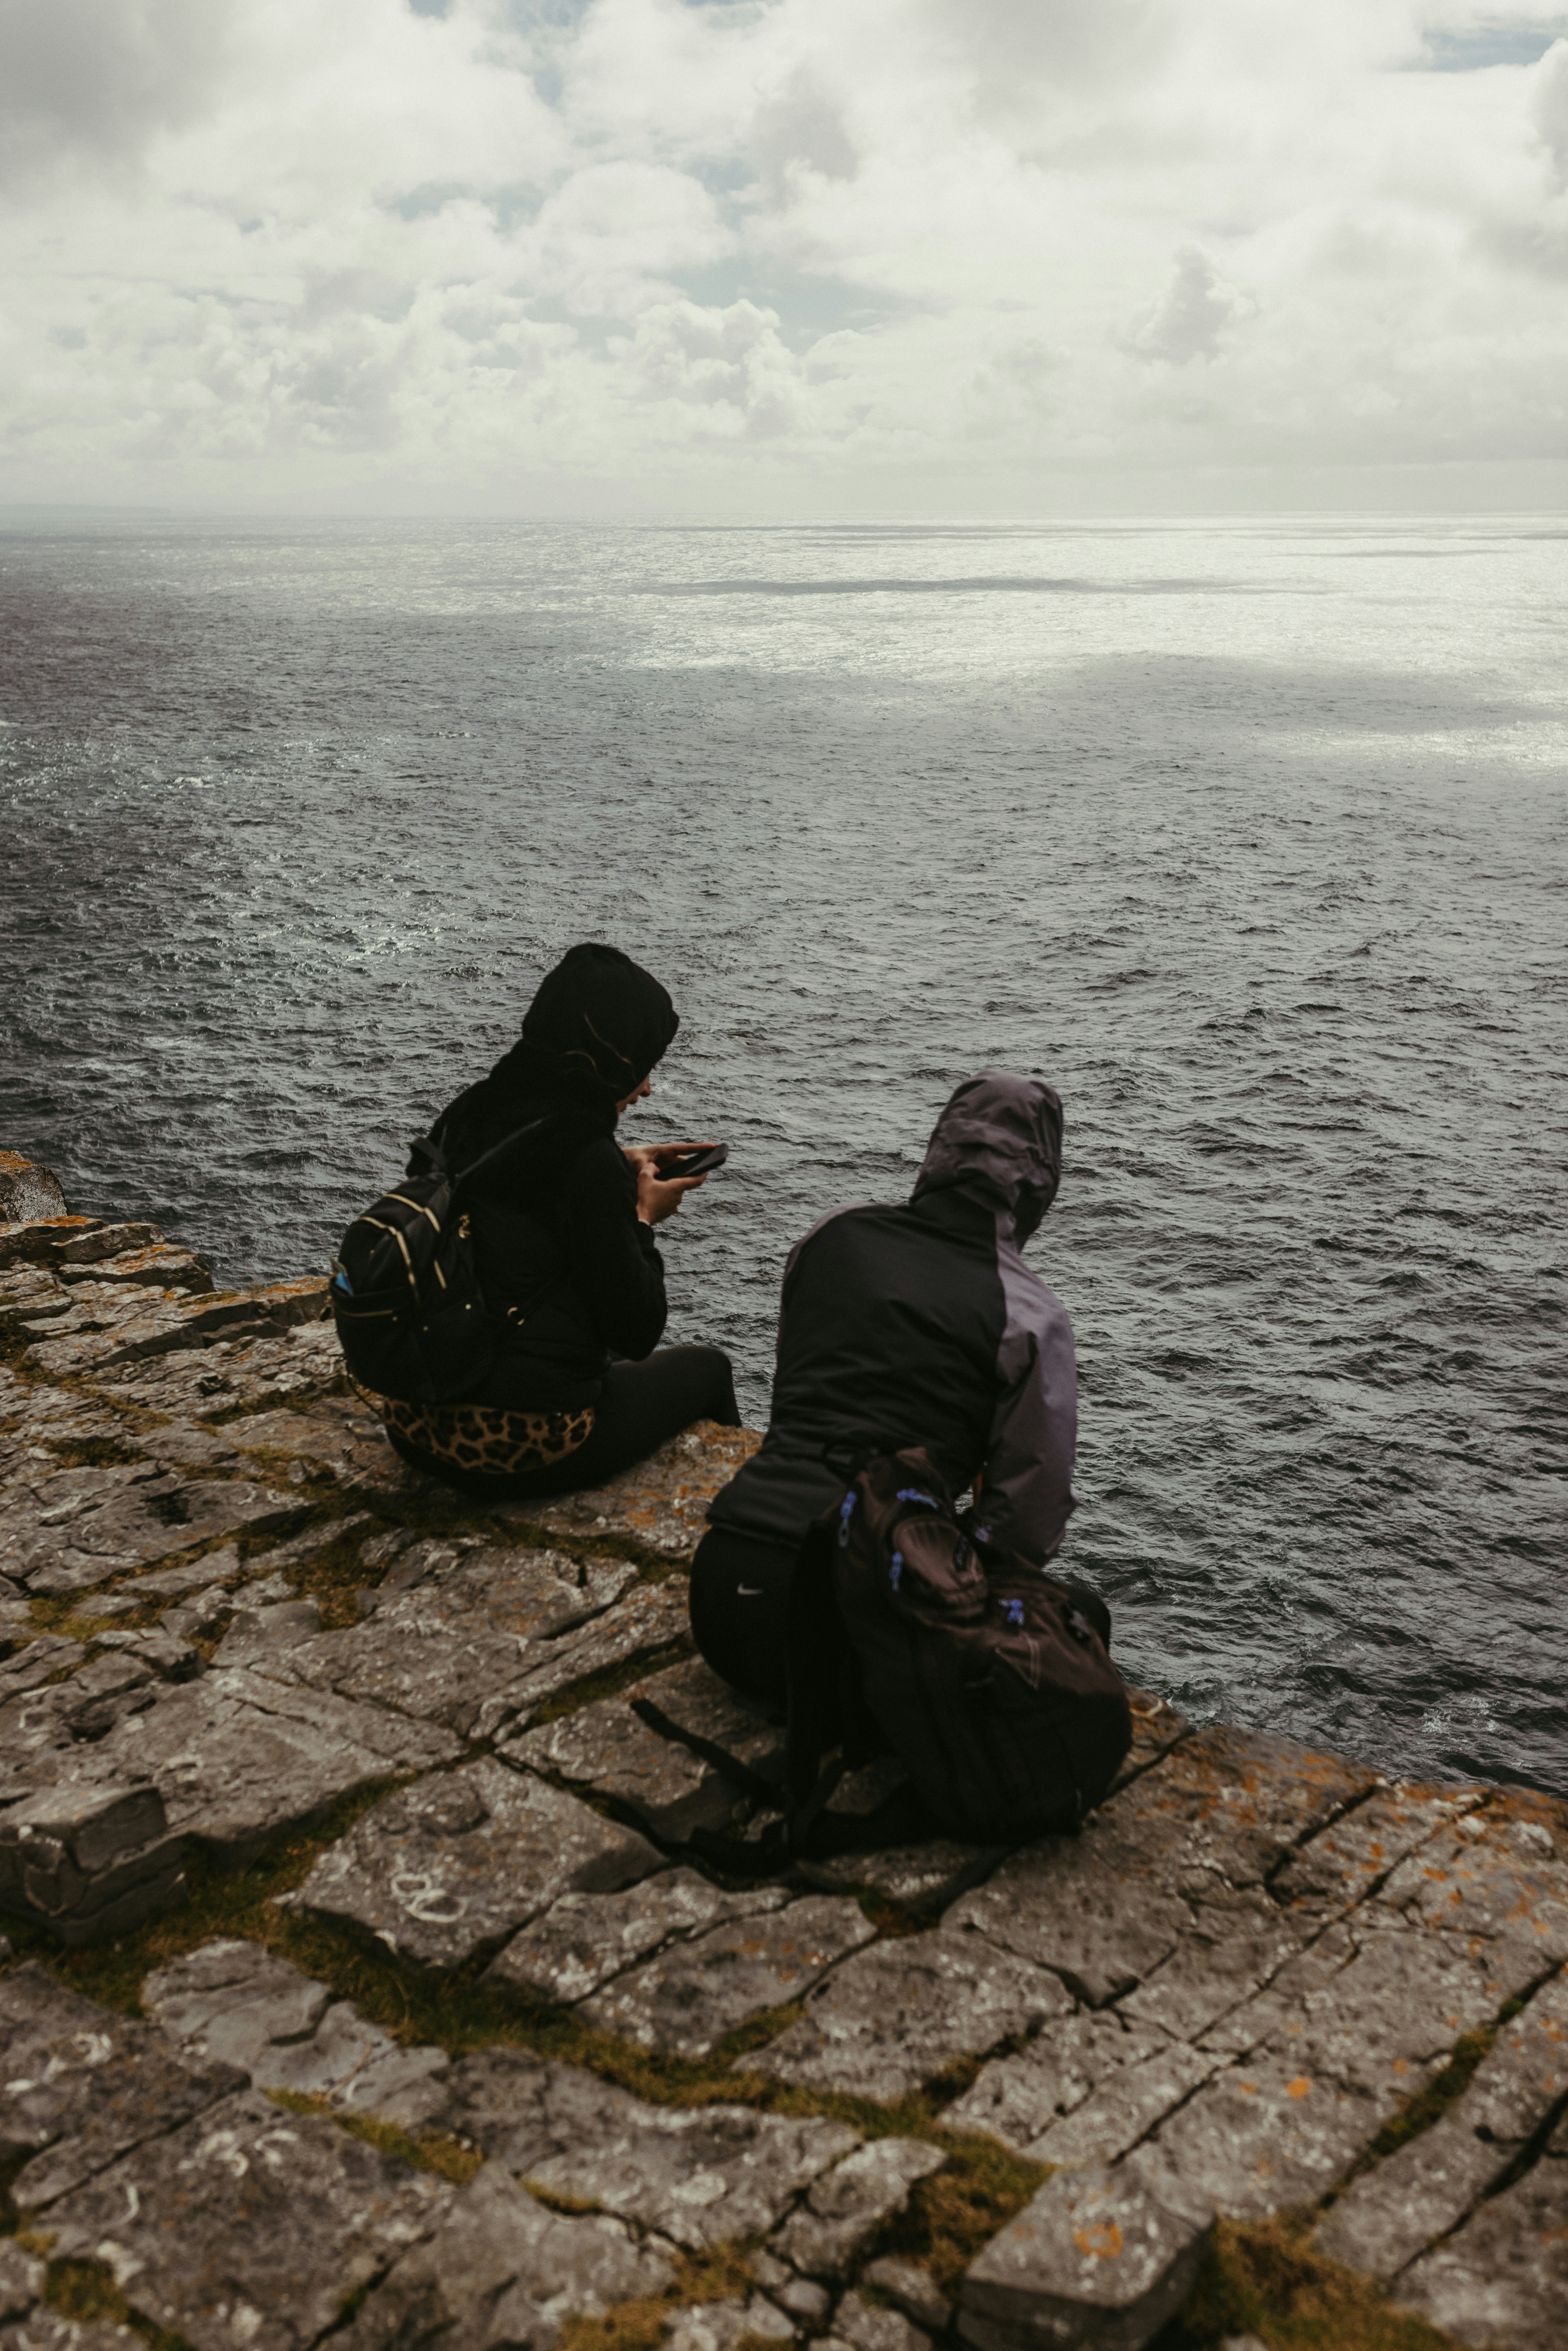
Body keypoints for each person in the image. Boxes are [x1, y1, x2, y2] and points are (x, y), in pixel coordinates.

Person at [691, 1068, 1091, 1708]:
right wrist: (960, 1532)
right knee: (1082, 1617)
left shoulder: (832, 1235)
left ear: (939, 1150)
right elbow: (1026, 1528)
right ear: (1039, 1183)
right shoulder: (1029, 1315)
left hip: (719, 1594)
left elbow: (799, 1393)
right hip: (846, 1627)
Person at [375, 942, 738, 1495]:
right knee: (710, 1369)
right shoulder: (583, 1158)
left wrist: (619, 1167)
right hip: (519, 1445)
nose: (646, 1088)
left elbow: (514, 1204)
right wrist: (642, 1216)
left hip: (413, 1417)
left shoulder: (468, 1110)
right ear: (611, 1057)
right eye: (641, 1068)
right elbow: (639, 1329)